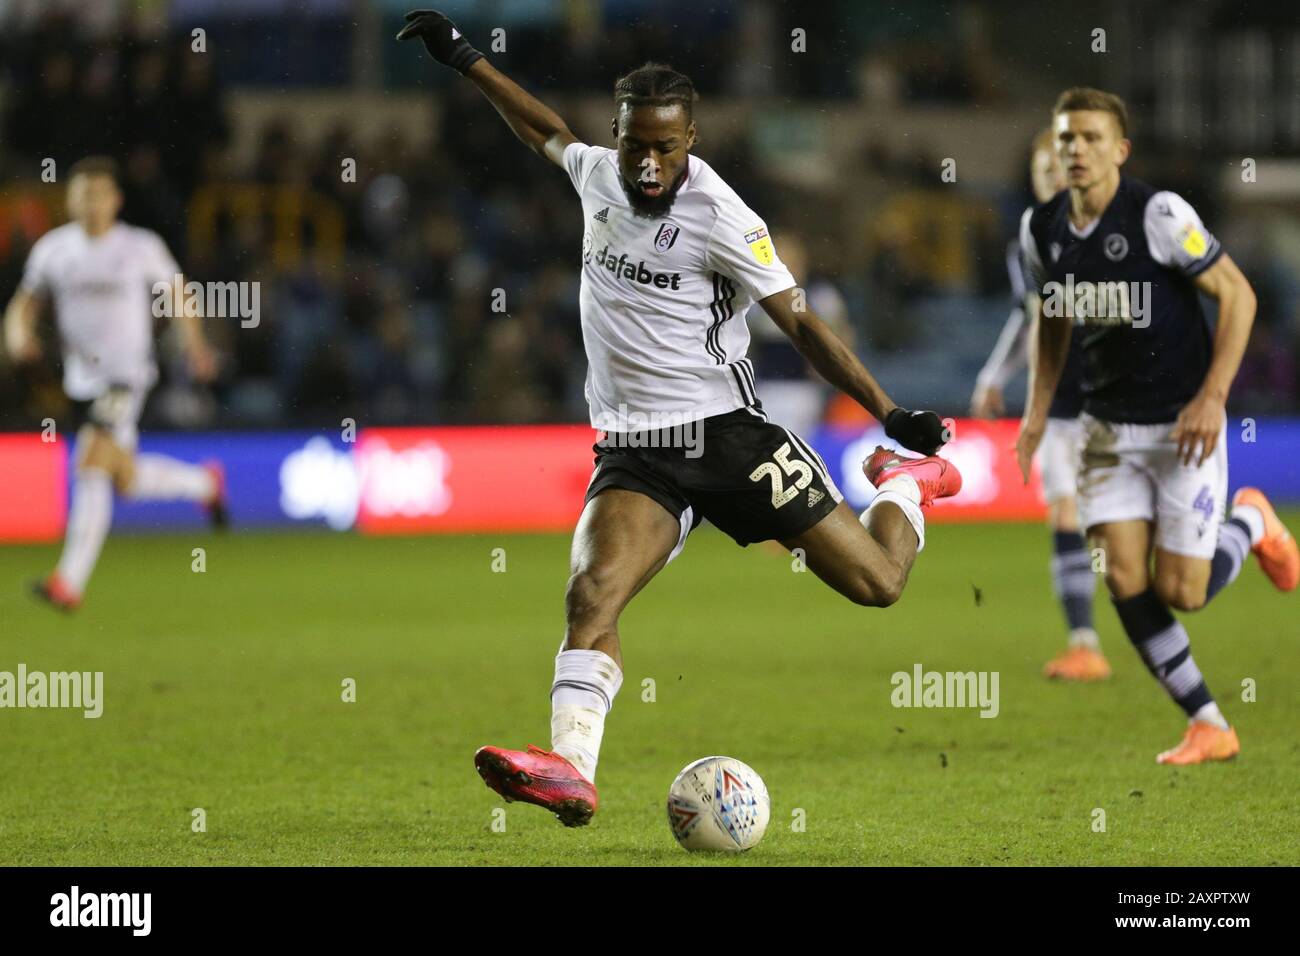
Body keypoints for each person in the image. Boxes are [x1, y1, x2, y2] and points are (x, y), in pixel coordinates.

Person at [398, 10, 961, 826]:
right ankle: (571, 770)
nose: (650, 163)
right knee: (592, 595)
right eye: (636, 144)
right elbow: (541, 127)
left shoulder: (724, 217)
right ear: (618, 135)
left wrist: (890, 412)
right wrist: (464, 60)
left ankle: (906, 489)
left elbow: (800, 321)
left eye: (667, 146)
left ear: (690, 137)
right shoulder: (596, 175)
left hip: (730, 437)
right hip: (636, 451)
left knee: (879, 585)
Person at [1016, 88, 1298, 765]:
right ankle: (1209, 722)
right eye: (1065, 139)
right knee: (1122, 578)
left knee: (1183, 593)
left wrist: (1214, 397)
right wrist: (1035, 411)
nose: (1075, 150)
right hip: (1107, 434)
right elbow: (1052, 319)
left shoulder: (1159, 215)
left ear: (1120, 149)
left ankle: (1252, 523)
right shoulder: (1039, 231)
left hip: (1182, 429)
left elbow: (1238, 292)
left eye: (1089, 137)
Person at [4, 157, 227, 611]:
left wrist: (196, 346)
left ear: (115, 200)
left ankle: (68, 582)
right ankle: (204, 483)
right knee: (121, 478)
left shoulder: (140, 246)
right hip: (79, 380)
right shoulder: (54, 249)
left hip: (126, 376)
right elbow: (24, 303)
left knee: (89, 464)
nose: (91, 203)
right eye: (82, 194)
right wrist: (17, 335)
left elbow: (179, 293)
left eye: (99, 194)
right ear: (69, 200)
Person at [971, 128, 1107, 680]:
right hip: (1056, 403)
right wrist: (994, 374)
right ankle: (1084, 642)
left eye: (1060, 170)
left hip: (1115, 400)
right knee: (1065, 512)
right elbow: (1030, 316)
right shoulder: (1027, 242)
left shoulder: (1109, 235)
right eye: (1042, 173)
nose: (1052, 180)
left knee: (1128, 532)